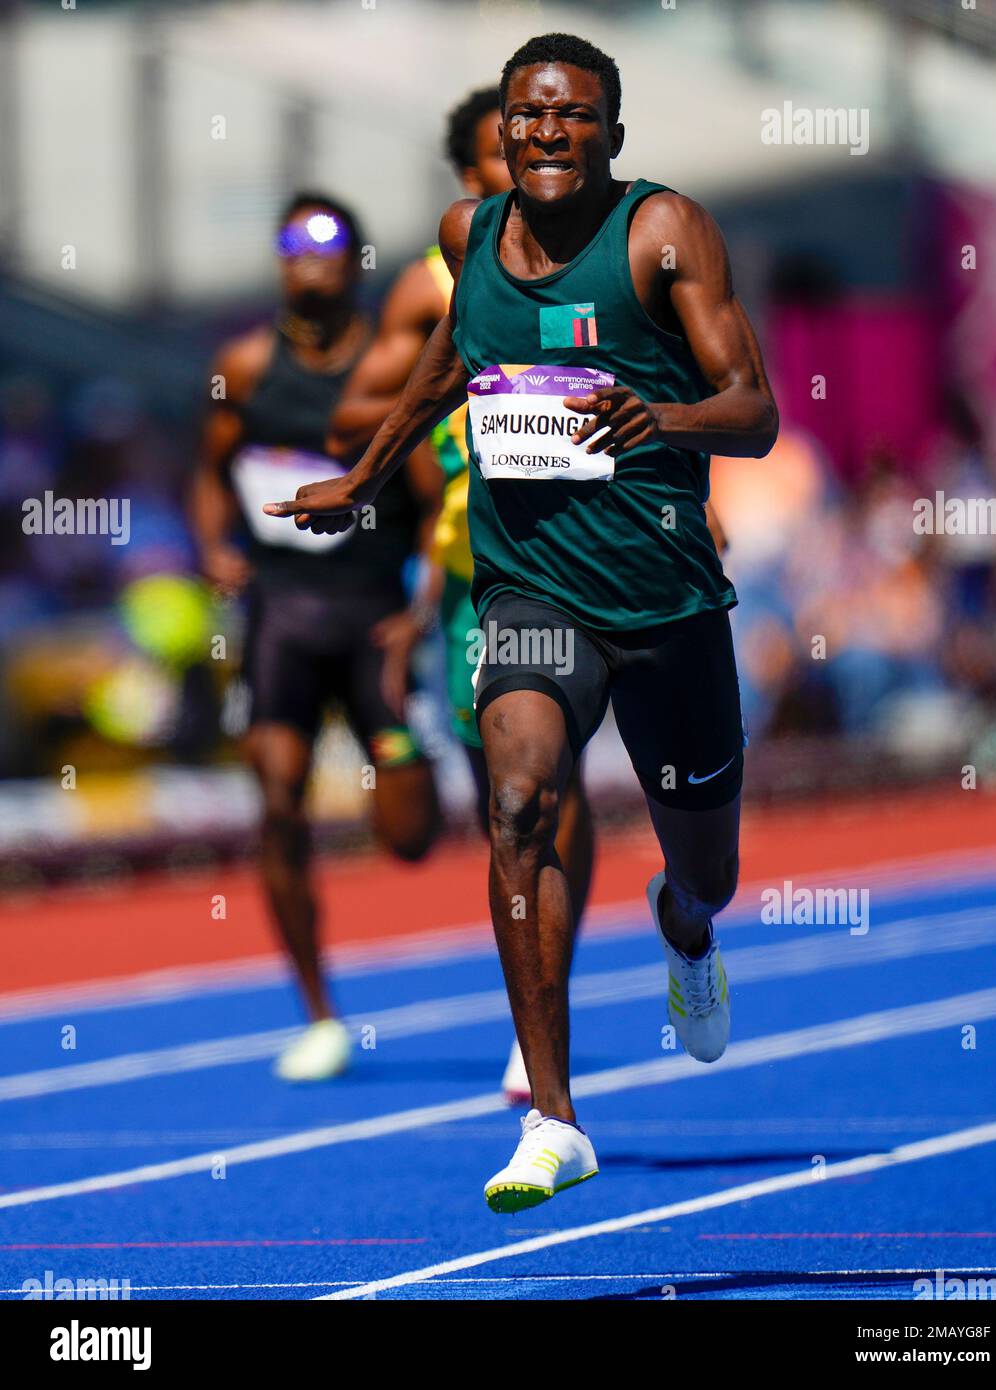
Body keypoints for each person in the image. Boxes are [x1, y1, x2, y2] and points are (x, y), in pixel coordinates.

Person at [265, 33, 777, 1209]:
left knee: (706, 862)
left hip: (663, 596)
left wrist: (660, 414)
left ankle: (683, 929)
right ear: (500, 131)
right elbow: (443, 373)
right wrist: (363, 476)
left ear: (611, 133)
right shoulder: (465, 240)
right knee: (516, 799)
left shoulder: (663, 232)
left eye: (573, 114)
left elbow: (750, 412)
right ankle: (553, 1115)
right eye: (527, 114)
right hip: (529, 588)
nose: (547, 132)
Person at [326, 88, 594, 1107]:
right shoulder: (425, 284)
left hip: (588, 556)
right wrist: (450, 395)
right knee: (511, 796)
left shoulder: (602, 255)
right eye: (496, 156)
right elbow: (357, 403)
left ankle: (552, 1008)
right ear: (465, 174)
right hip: (474, 572)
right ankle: (537, 1011)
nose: (522, 167)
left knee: (550, 785)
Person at [193, 192, 441, 1082]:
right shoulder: (249, 367)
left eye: (327, 242)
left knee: (410, 837)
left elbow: (434, 492)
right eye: (290, 243)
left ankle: (409, 755)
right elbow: (211, 468)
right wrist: (217, 545)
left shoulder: (389, 363)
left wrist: (425, 603)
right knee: (278, 798)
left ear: (357, 263)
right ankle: (319, 1013)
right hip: (284, 618)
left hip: (374, 619)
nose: (307, 257)